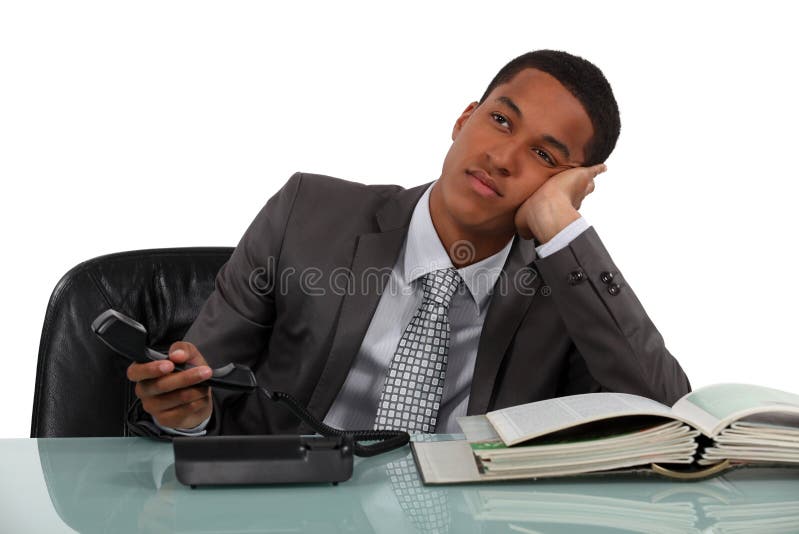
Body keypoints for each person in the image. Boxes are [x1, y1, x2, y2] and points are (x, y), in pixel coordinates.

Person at [127, 50, 690, 437]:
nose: (502, 157)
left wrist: (561, 227)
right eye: (499, 121)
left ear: (572, 183)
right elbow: (201, 391)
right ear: (464, 118)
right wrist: (189, 414)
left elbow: (667, 416)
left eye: (544, 156)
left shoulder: (568, 288)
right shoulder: (306, 214)